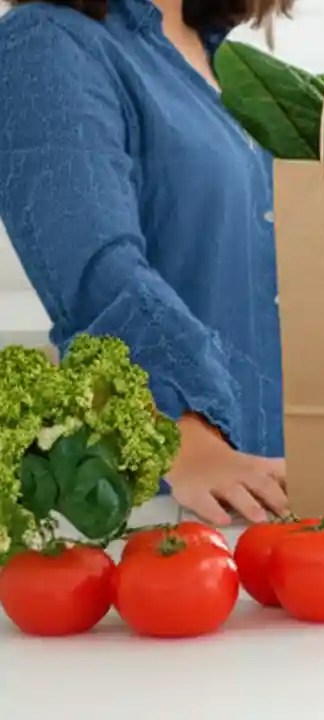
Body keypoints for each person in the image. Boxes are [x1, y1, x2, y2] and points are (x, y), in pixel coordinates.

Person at [0, 0, 292, 525]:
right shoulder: (45, 41)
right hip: (178, 502)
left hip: (278, 485)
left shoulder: (230, 65)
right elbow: (94, 267)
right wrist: (178, 431)